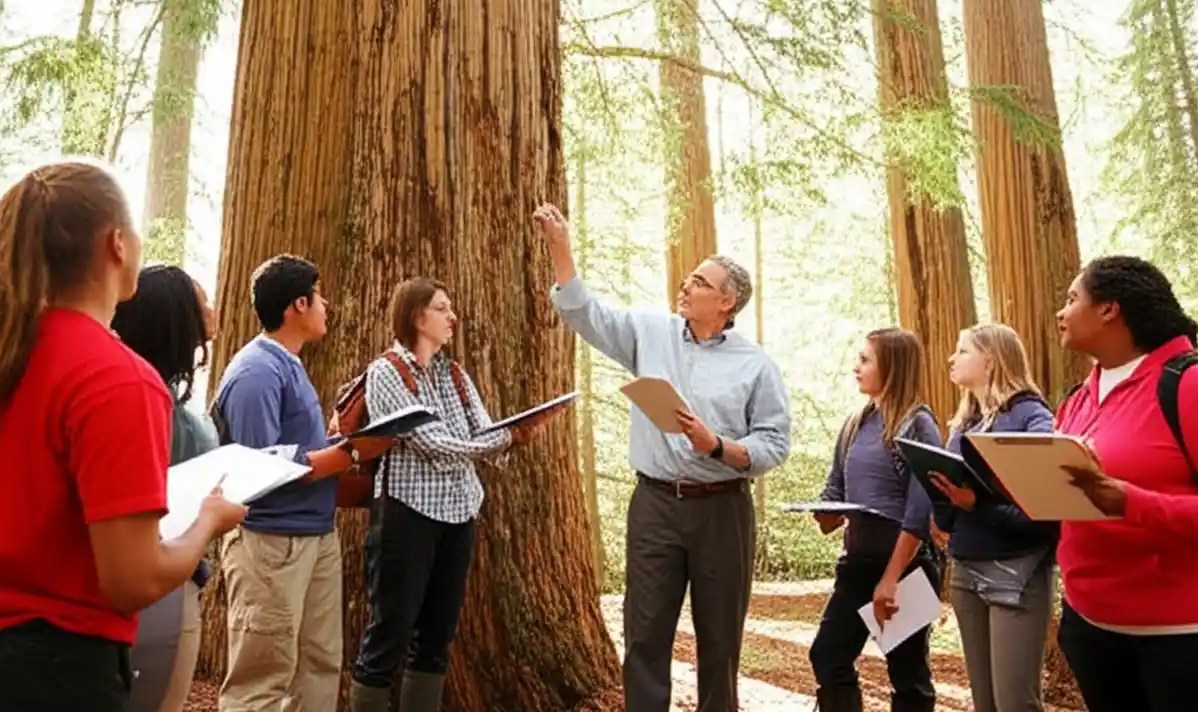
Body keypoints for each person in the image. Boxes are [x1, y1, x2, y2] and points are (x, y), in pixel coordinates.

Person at [0, 160, 245, 712]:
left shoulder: (14, 355)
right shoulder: (117, 379)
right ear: (118, 244)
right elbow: (131, 581)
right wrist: (207, 521)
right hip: (59, 671)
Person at [533, 203, 791, 712]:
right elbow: (586, 314)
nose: (686, 286)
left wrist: (717, 445)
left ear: (725, 301)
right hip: (654, 505)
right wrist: (560, 248)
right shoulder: (649, 332)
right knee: (645, 632)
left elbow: (774, 443)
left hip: (722, 509)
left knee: (720, 639)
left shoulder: (756, 365)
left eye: (699, 281)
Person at [1054, 255, 1198, 712]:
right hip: (1096, 632)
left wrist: (1131, 502)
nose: (1061, 311)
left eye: (1072, 298)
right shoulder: (1076, 400)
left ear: (1109, 309)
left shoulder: (1197, 385)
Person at [348, 277, 561, 711]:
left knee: (437, 637)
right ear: (416, 316)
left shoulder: (455, 373)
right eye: (443, 308)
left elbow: (479, 430)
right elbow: (432, 444)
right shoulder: (387, 371)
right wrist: (505, 441)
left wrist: (514, 432)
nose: (453, 317)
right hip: (405, 515)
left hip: (460, 514)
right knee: (388, 634)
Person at [212, 254, 393, 712]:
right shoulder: (256, 372)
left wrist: (347, 444)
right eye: (319, 296)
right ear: (297, 304)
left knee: (319, 663)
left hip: (314, 536)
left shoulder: (289, 364)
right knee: (262, 678)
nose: (326, 305)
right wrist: (351, 451)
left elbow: (296, 450)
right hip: (272, 545)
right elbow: (259, 466)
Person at [808, 327, 942, 712]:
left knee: (907, 675)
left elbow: (920, 510)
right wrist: (826, 512)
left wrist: (891, 579)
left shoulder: (918, 426)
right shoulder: (855, 423)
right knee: (828, 658)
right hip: (856, 566)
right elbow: (836, 486)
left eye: (865, 359)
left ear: (893, 367)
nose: (856, 366)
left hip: (906, 570)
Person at [927, 323, 1056, 712]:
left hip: (1016, 570)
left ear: (991, 360)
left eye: (963, 351)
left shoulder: (1031, 415)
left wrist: (976, 504)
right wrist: (940, 502)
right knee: (984, 702)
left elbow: (1046, 510)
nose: (952, 358)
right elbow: (955, 506)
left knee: (1015, 702)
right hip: (966, 568)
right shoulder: (964, 421)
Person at [112, 264, 221, 712]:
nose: (212, 309)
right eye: (202, 301)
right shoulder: (173, 418)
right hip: (165, 581)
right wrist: (214, 518)